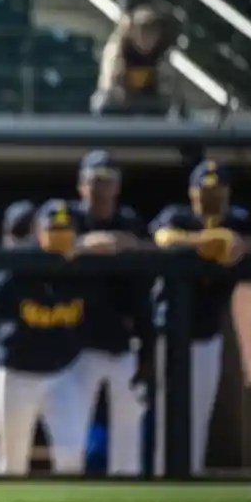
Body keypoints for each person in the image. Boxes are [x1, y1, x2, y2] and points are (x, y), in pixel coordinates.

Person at [149, 159, 251, 475]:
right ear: (193, 193)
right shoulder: (179, 216)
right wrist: (206, 242)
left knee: (200, 412)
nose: (210, 197)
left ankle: (190, 475)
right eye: (203, 190)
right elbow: (161, 237)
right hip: (171, 331)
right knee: (167, 414)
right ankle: (161, 479)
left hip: (207, 334)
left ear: (227, 192)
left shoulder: (237, 221)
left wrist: (237, 243)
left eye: (216, 191)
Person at [65, 150, 155, 476]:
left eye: (107, 182)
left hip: (123, 343)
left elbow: (152, 249)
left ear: (117, 187)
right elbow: (58, 242)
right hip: (77, 345)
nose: (100, 190)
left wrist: (147, 350)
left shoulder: (129, 221)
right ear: (81, 185)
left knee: (127, 438)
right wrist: (103, 243)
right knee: (72, 436)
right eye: (94, 181)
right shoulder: (69, 217)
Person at [0, 199, 88, 476]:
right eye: (53, 228)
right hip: (17, 373)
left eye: (65, 228)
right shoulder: (19, 264)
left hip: (62, 373)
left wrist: (82, 251)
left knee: (71, 457)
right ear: (38, 231)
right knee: (12, 462)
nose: (59, 234)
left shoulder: (84, 264)